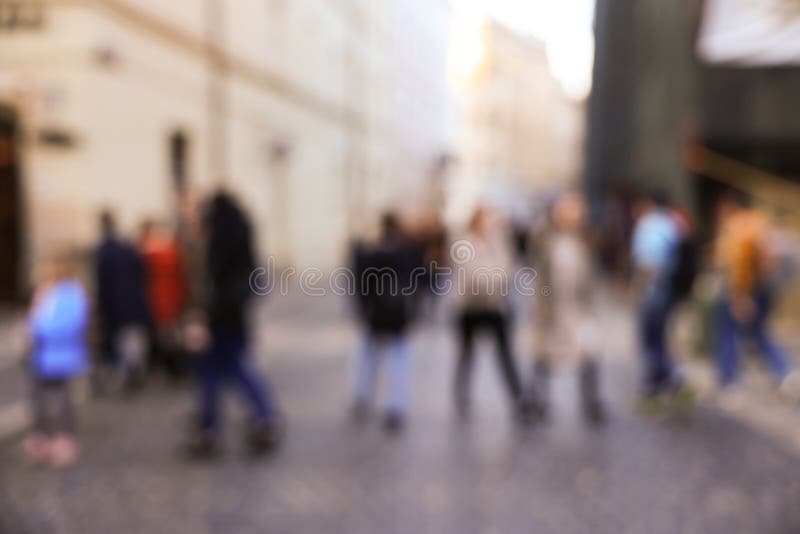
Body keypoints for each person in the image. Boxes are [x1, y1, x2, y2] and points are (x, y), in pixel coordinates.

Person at [185, 190, 282, 457]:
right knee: (235, 370)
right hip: (236, 317)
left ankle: (211, 429)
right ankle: (261, 418)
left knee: (214, 374)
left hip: (219, 319)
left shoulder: (217, 243)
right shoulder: (242, 238)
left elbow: (213, 287)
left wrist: (203, 319)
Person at [529, 191, 606, 423]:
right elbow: (540, 276)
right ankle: (537, 399)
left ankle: (591, 402)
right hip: (554, 309)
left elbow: (591, 274)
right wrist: (542, 305)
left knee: (589, 353)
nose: (576, 214)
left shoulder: (586, 239)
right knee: (545, 356)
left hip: (580, 308)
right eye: (570, 209)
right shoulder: (546, 239)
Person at [453, 206, 531, 423]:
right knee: (466, 354)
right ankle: (462, 395)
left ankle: (518, 398)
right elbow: (472, 273)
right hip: (470, 306)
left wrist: (495, 273)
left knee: (505, 354)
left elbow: (508, 268)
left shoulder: (500, 242)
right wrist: (495, 274)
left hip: (496, 306)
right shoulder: (464, 243)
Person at [713, 191, 793, 395]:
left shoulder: (736, 228)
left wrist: (739, 295)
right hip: (765, 288)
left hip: (743, 290)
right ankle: (784, 371)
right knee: (759, 333)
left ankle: (728, 380)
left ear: (730, 206)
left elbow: (736, 264)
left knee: (728, 332)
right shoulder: (761, 223)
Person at [351, 212, 420, 433]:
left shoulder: (373, 252)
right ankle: (395, 405)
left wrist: (364, 308)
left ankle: (363, 396)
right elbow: (415, 283)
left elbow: (361, 284)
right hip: (396, 315)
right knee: (397, 361)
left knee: (369, 357)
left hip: (377, 315)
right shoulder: (405, 252)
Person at [21, 250, 89, 468]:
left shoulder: (71, 294)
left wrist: (39, 328)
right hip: (42, 355)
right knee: (38, 399)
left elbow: (68, 324)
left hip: (60, 353)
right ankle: (43, 437)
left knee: (61, 400)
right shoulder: (46, 292)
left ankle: (63, 439)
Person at [631, 191, 694, 413]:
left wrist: (639, 288)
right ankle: (660, 385)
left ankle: (670, 382)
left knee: (652, 341)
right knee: (659, 339)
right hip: (670, 293)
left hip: (654, 294)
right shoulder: (673, 223)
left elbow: (649, 263)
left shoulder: (648, 225)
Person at [95, 211, 150, 392]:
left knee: (120, 340)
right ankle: (132, 370)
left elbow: (102, 282)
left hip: (116, 303)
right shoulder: (129, 247)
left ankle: (127, 372)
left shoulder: (104, 251)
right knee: (131, 338)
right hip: (134, 300)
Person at [139, 219, 189, 380]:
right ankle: (177, 367)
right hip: (173, 297)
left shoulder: (148, 254)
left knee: (165, 337)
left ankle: (172, 368)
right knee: (172, 336)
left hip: (158, 299)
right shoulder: (172, 251)